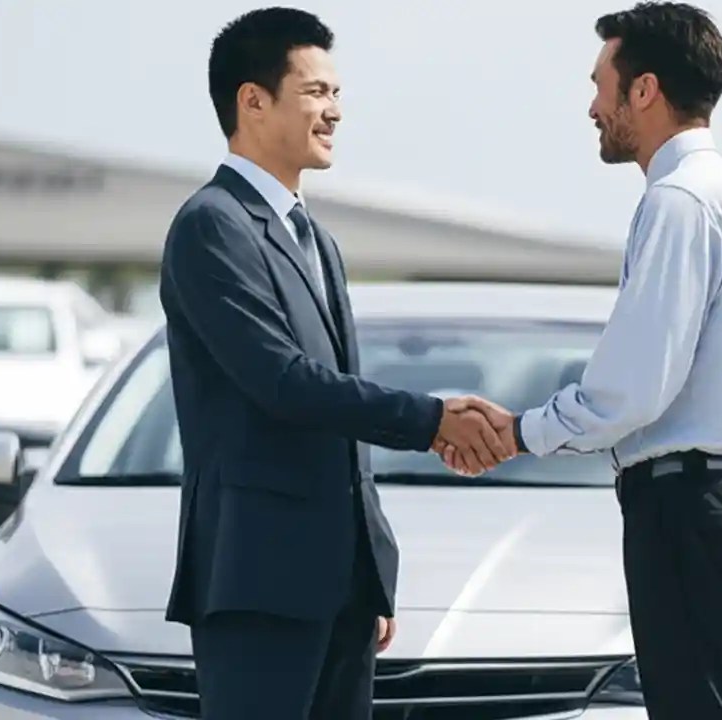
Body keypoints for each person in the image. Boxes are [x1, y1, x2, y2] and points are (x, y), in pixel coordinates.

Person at [159, 8, 512, 718]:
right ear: (252, 101)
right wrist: (432, 418)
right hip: (259, 582)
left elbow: (337, 412)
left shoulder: (314, 237)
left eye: (337, 94)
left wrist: (369, 566)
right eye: (316, 92)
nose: (335, 112)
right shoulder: (212, 226)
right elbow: (284, 383)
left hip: (341, 588)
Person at [444, 3, 722, 718]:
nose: (592, 106)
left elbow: (631, 390)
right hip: (711, 506)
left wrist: (518, 434)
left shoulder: (680, 202)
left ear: (644, 90)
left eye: (602, 84)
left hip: (690, 509)